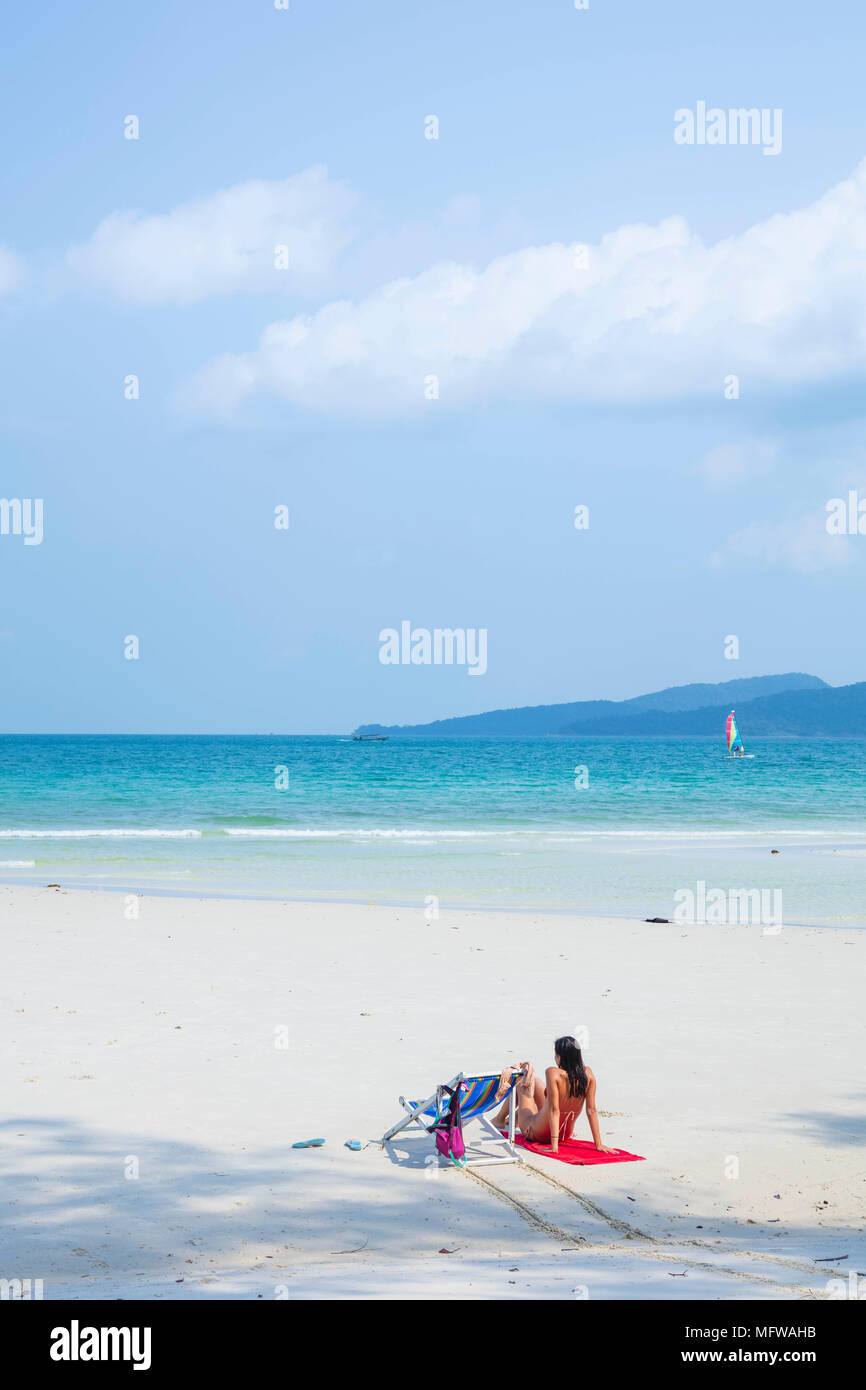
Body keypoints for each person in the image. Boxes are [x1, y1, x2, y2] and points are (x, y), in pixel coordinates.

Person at [493, 1035, 615, 1155]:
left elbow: (554, 1110)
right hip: (565, 1134)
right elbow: (591, 1110)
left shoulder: (553, 1073)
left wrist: (554, 1146)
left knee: (520, 1083)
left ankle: (500, 1120)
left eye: (556, 1054)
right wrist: (598, 1144)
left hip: (537, 1133)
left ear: (560, 1057)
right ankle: (514, 1117)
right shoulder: (587, 1074)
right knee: (536, 1081)